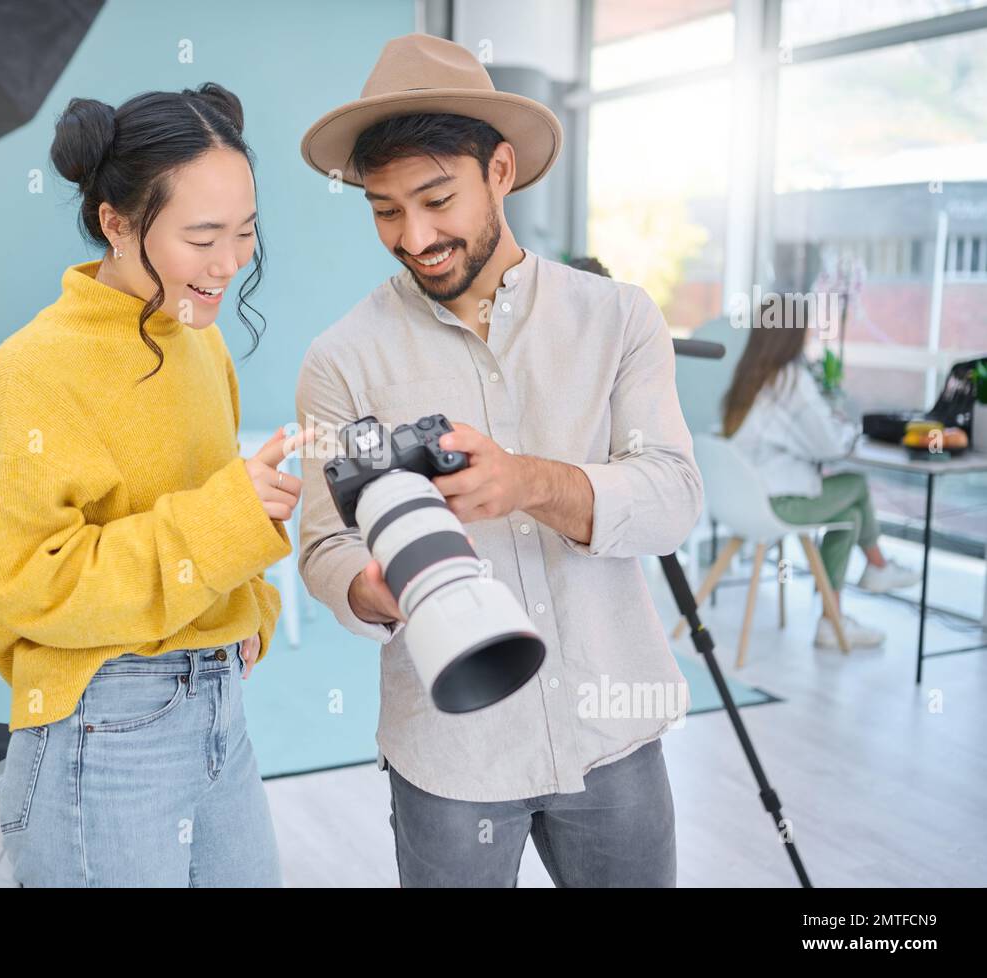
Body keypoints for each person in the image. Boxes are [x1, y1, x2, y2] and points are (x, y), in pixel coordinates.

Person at [294, 34, 702, 887]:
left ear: (502, 172)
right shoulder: (340, 360)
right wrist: (379, 587)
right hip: (451, 752)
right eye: (384, 210)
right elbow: (325, 548)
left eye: (438, 199)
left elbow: (672, 499)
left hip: (611, 732)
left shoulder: (618, 318)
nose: (414, 236)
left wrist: (529, 481)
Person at [0, 84, 307, 886]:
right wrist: (228, 522)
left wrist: (250, 605)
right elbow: (34, 588)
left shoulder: (197, 343)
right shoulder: (30, 373)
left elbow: (214, 505)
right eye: (203, 237)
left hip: (216, 697)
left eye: (247, 231)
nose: (230, 264)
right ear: (116, 224)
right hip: (103, 720)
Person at [722, 297, 920, 649]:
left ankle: (835, 618)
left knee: (850, 515)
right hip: (778, 503)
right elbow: (828, 444)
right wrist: (848, 430)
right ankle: (876, 568)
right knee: (856, 485)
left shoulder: (747, 377)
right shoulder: (789, 380)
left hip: (743, 502)